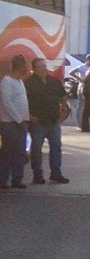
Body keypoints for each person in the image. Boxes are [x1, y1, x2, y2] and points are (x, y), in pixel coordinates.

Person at [26, 58, 70, 185]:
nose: (43, 69)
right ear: (34, 69)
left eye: (44, 66)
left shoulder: (54, 82)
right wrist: (29, 116)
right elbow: (24, 102)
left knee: (56, 147)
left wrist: (64, 108)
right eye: (40, 67)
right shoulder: (28, 83)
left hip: (53, 121)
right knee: (36, 150)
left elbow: (63, 96)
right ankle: (37, 175)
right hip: (37, 122)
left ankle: (56, 173)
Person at [0, 54, 32, 190]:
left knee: (20, 151)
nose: (28, 67)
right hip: (10, 123)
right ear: (21, 65)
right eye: (26, 64)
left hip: (21, 122)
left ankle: (17, 179)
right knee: (8, 152)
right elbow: (6, 103)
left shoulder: (20, 81)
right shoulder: (7, 82)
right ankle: (3, 180)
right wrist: (19, 120)